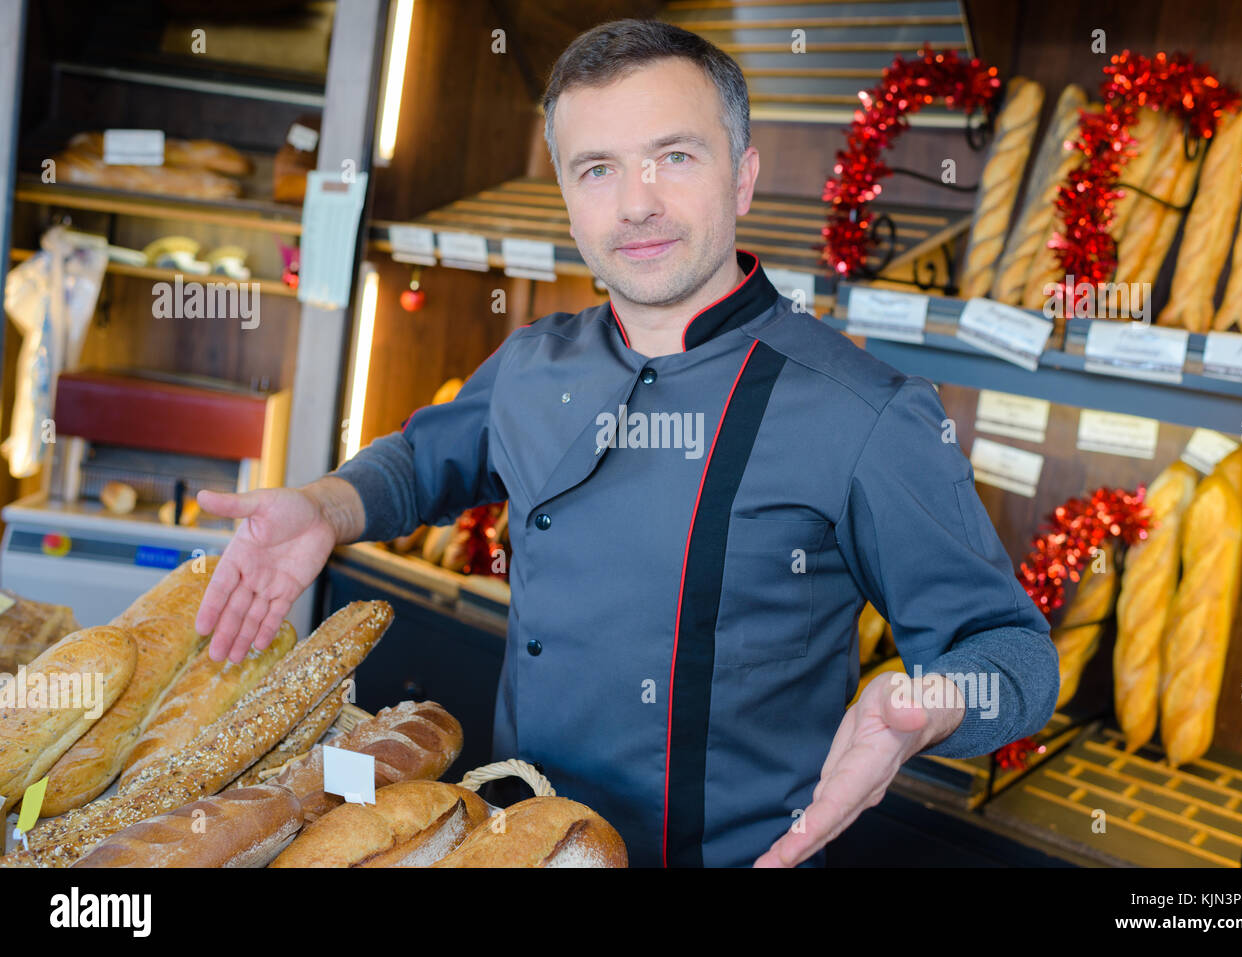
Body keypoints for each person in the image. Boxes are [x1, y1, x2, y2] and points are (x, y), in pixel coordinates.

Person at [195, 18, 1059, 868]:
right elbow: (423, 460)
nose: (636, 201)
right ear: (569, 199)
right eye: (597, 169)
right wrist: (324, 505)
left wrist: (934, 699)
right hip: (516, 847)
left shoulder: (864, 411)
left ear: (743, 176)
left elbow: (1016, 657)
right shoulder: (535, 358)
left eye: (674, 157)